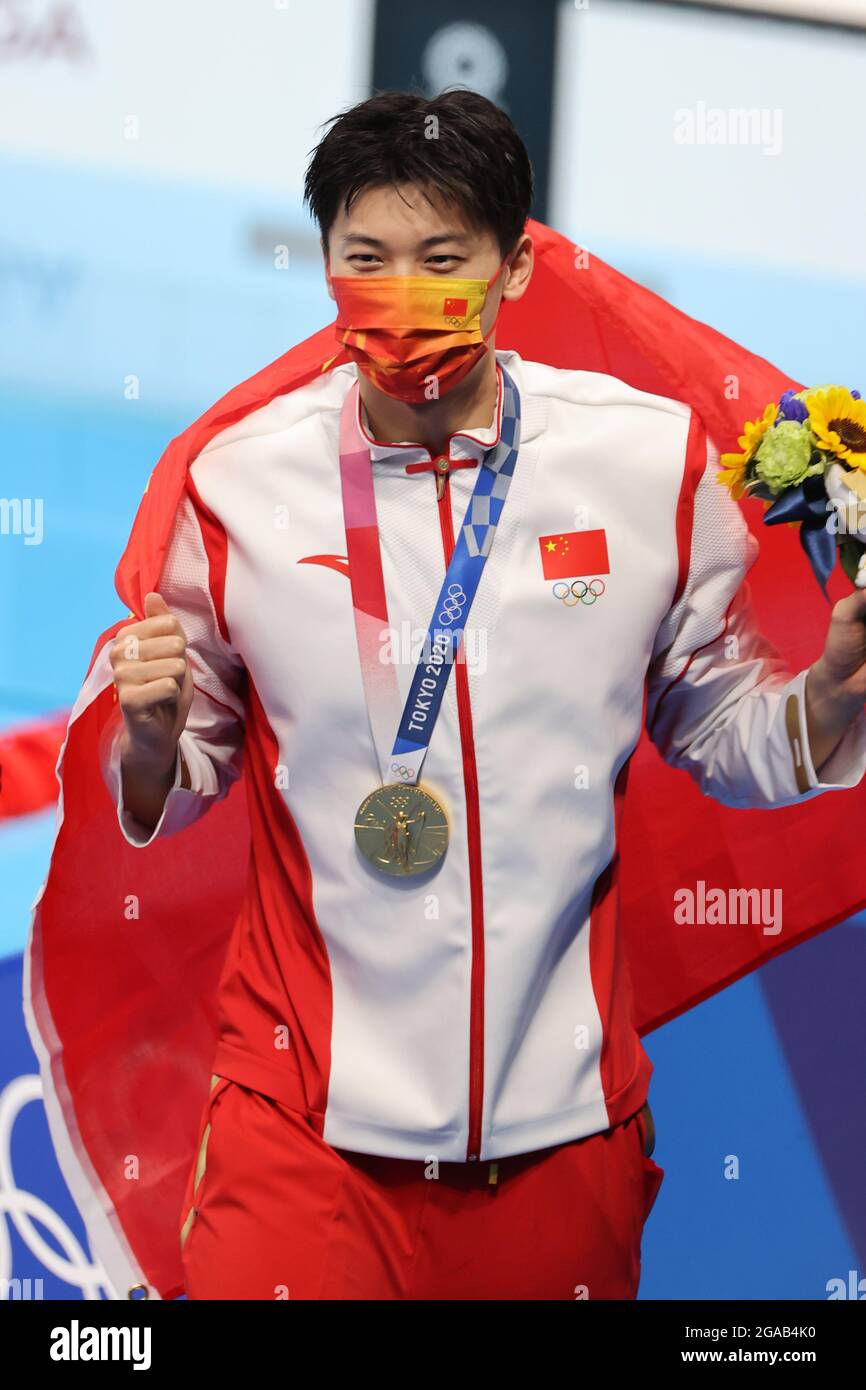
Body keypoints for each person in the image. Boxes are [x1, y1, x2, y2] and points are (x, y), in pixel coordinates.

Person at [74, 90, 866, 1299]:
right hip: (299, 1132)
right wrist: (147, 738)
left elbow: (720, 732)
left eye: (441, 260)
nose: (400, 295)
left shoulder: (645, 463)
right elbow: (178, 790)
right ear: (323, 264)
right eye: (364, 260)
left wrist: (828, 695)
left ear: (518, 264)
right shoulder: (238, 485)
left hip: (557, 1143)